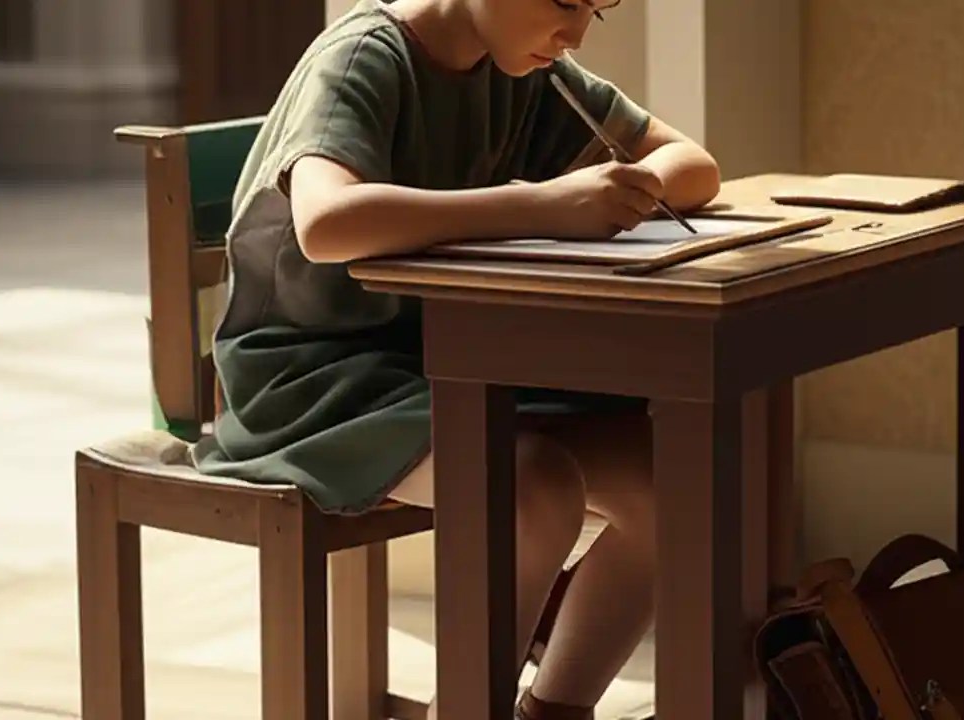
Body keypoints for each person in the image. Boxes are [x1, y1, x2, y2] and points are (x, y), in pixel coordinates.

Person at [190, 0, 721, 717]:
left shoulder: (529, 71)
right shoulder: (362, 59)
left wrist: (629, 188)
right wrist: (538, 206)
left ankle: (553, 710)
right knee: (531, 485)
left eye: (594, 8)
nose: (575, 32)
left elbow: (695, 166)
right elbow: (325, 223)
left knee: (675, 477)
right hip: (310, 386)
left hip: (443, 367)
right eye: (563, 1)